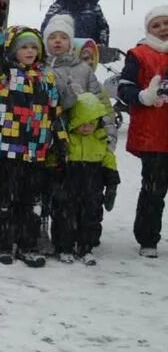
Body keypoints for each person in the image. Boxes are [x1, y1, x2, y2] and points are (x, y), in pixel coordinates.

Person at [0, 23, 65, 267]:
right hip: (10, 148)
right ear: (13, 51)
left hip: (37, 150)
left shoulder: (46, 77)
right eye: (23, 47)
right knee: (6, 199)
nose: (29, 51)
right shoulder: (5, 76)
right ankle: (4, 245)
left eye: (33, 47)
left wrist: (60, 138)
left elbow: (55, 110)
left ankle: (28, 245)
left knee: (32, 202)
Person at [117, 4, 168, 258]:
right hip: (154, 136)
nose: (162, 29)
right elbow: (123, 88)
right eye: (156, 25)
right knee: (154, 189)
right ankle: (148, 238)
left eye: (166, 23)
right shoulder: (139, 55)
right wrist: (143, 96)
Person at [52, 93, 119, 265]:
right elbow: (54, 160)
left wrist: (112, 185)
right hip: (69, 187)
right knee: (65, 217)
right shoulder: (67, 140)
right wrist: (54, 180)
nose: (86, 127)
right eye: (82, 123)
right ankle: (64, 247)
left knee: (91, 218)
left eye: (91, 123)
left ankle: (85, 246)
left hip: (93, 189)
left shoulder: (100, 140)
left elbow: (109, 161)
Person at [42, 0, 110, 47]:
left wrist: (102, 44)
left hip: (88, 52)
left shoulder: (93, 8)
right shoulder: (57, 8)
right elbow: (46, 30)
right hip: (62, 52)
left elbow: (103, 29)